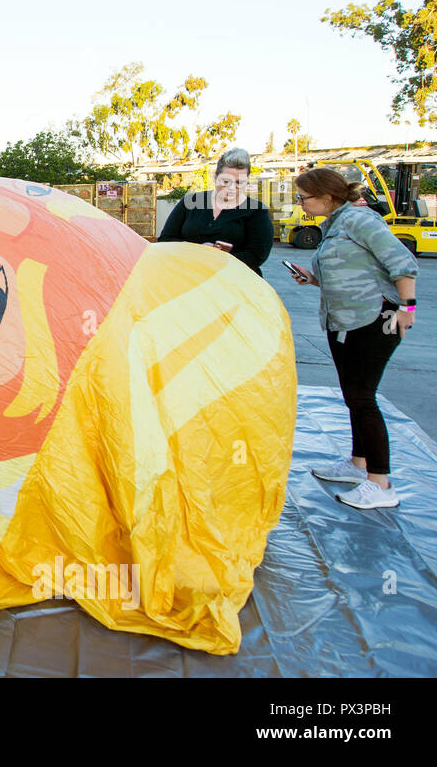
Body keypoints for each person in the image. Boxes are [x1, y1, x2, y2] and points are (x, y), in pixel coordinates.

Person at [286, 167, 419, 510]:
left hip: (373, 320)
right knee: (353, 396)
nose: (301, 204)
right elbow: (348, 271)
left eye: (304, 197)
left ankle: (381, 483)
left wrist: (408, 307)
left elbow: (401, 262)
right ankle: (359, 462)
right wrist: (313, 279)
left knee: (363, 399)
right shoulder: (333, 225)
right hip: (343, 321)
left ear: (327, 196)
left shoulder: (360, 221)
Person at [158, 147, 273, 276]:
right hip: (188, 279)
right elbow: (166, 240)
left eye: (239, 183)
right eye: (225, 181)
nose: (231, 188)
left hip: (236, 284)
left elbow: (257, 256)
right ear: (215, 176)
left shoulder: (256, 211)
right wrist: (199, 251)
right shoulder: (190, 201)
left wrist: (221, 257)